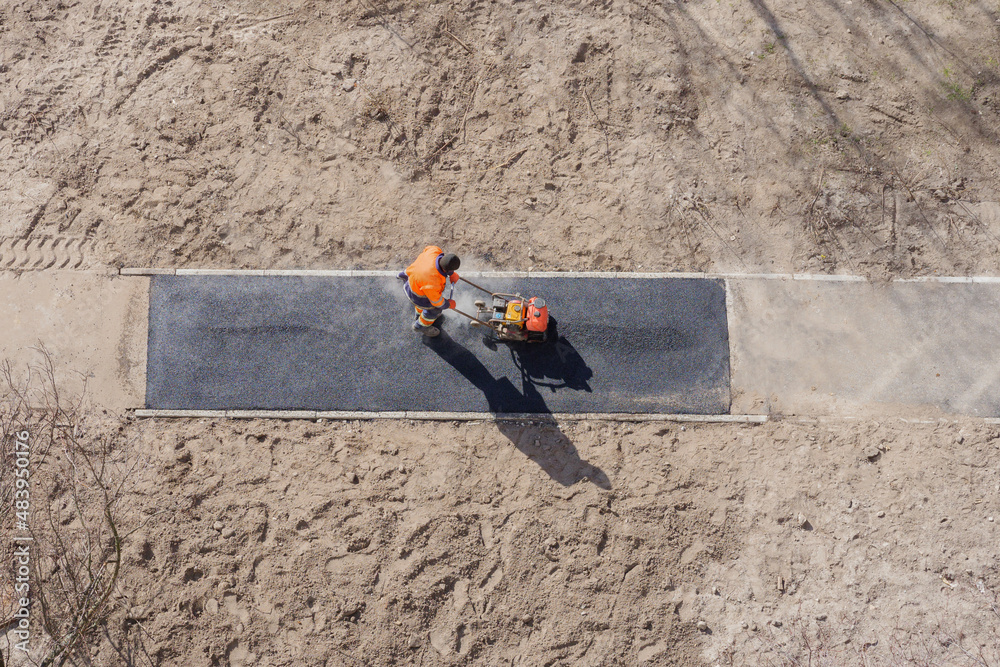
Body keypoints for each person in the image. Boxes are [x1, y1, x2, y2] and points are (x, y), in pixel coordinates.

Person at [398, 246, 461, 337]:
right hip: (416, 294)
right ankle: (421, 326)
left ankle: (419, 314)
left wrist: (451, 273)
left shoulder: (434, 251)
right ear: (446, 269)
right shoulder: (433, 282)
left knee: (425, 302)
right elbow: (437, 302)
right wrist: (448, 304)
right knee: (434, 309)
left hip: (413, 281)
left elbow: (427, 249)